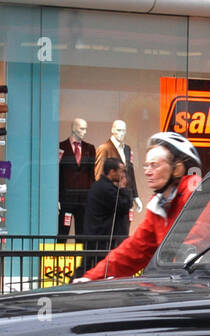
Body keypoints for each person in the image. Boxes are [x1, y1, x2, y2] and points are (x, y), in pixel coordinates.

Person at [79, 132, 201, 281]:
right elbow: (134, 250)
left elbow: (195, 248)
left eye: (154, 165)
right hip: (180, 286)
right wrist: (91, 277)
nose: (147, 172)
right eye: (146, 165)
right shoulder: (159, 205)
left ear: (177, 169)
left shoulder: (194, 195)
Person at [81, 156, 133, 274]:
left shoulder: (102, 186)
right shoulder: (106, 189)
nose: (122, 174)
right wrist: (124, 188)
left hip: (98, 236)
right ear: (111, 172)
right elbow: (124, 205)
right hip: (101, 237)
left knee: (89, 265)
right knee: (92, 266)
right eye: (120, 170)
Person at [57, 118, 96, 237]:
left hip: (84, 199)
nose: (84, 132)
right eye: (82, 128)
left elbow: (92, 174)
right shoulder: (61, 147)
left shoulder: (90, 149)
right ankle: (59, 256)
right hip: (66, 198)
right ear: (74, 129)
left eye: (85, 129)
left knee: (82, 234)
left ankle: (82, 256)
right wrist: (56, 197)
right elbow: (57, 174)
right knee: (63, 233)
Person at [94, 120, 140, 216]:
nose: (121, 133)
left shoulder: (127, 149)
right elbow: (99, 175)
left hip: (125, 197)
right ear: (112, 130)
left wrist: (135, 196)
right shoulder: (104, 149)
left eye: (124, 131)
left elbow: (130, 173)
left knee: (123, 228)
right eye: (119, 130)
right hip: (110, 198)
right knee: (111, 228)